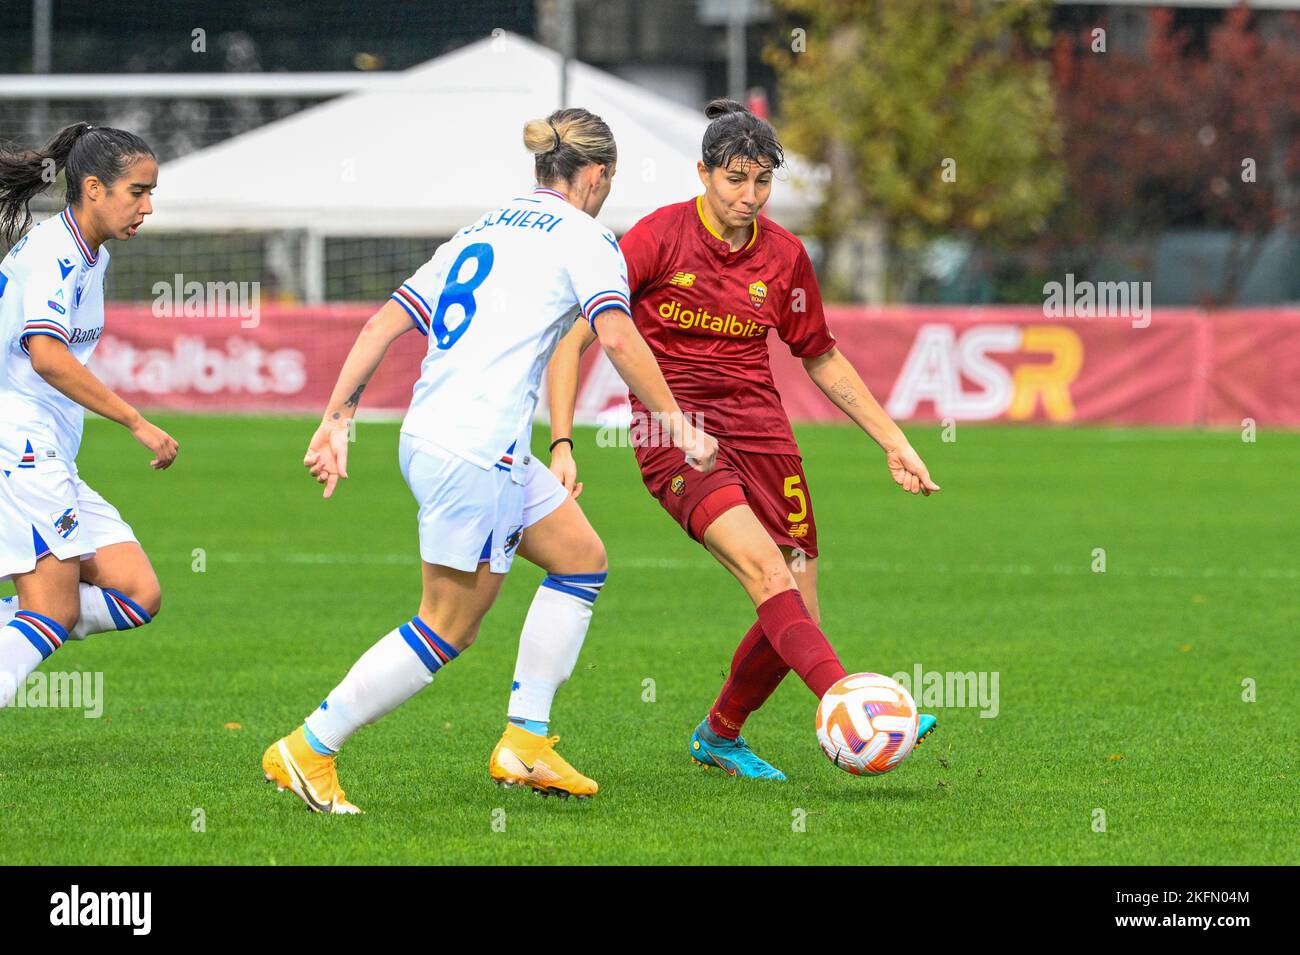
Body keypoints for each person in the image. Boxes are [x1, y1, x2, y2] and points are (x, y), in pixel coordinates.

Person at [261, 108, 717, 813]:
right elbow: (619, 338)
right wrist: (678, 425)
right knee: (447, 625)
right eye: (609, 181)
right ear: (596, 175)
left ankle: (525, 739)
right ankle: (309, 746)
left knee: (581, 556)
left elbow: (385, 320)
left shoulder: (484, 226)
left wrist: (338, 416)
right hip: (477, 451)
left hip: (439, 436)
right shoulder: (585, 234)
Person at [544, 100, 940, 780]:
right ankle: (855, 707)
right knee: (766, 573)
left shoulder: (784, 256)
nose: (749, 196)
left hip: (763, 431)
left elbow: (820, 355)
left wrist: (892, 440)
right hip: (677, 432)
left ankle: (719, 733)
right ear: (703, 173)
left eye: (762, 182)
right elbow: (574, 338)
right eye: (734, 180)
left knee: (798, 606)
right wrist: (560, 441)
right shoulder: (655, 239)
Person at [0, 123, 175, 709]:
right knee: (53, 610)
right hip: (18, 444)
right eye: (138, 191)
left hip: (45, 447)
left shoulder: (85, 249)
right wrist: (135, 421)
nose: (147, 207)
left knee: (136, 593)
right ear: (94, 188)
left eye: (151, 193)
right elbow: (46, 355)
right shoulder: (56, 253)